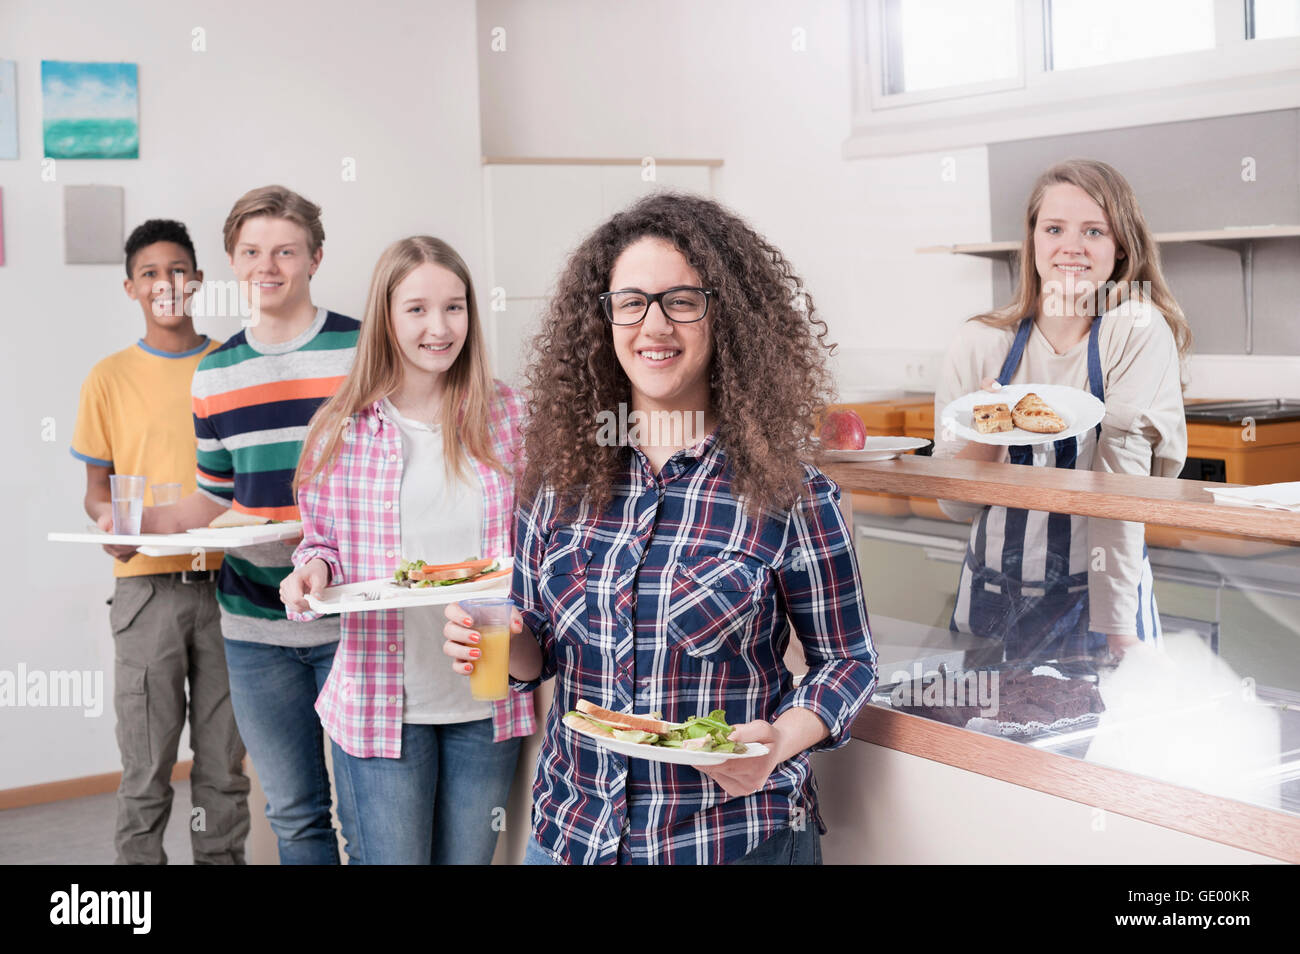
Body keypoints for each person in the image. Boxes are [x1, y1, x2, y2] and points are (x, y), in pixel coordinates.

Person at [443, 193, 877, 865]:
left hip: (731, 837)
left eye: (681, 300)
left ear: (723, 315)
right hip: (571, 836)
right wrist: (491, 648)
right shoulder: (554, 484)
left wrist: (776, 746)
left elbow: (847, 662)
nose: (654, 324)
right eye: (631, 301)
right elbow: (532, 660)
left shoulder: (790, 492)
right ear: (604, 320)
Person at [279, 236, 535, 864]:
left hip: (486, 686)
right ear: (386, 318)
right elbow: (322, 543)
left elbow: (539, 542)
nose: (439, 327)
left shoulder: (509, 414)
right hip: (378, 696)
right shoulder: (340, 427)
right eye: (417, 309)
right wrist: (311, 570)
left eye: (454, 307)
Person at [140, 186, 360, 863]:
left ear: (315, 258)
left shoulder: (363, 350)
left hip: (352, 617)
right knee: (294, 813)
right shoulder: (214, 373)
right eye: (253, 251)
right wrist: (144, 525)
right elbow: (214, 498)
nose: (268, 266)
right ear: (234, 263)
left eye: (285, 251)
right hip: (253, 628)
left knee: (366, 810)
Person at [933, 158, 1191, 664]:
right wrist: (991, 426)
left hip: (1098, 609)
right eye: (1054, 228)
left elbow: (1123, 491)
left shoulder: (1133, 331)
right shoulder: (980, 341)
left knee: (1099, 744)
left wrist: (1119, 632)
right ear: (1032, 240)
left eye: (1093, 231)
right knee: (979, 743)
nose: (1071, 246)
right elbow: (955, 504)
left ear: (1120, 248)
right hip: (987, 604)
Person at [70, 219, 249, 864]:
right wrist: (107, 524)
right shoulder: (108, 378)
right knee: (145, 770)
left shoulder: (233, 364)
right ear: (130, 288)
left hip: (233, 589)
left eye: (177, 270)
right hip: (145, 590)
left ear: (197, 281)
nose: (165, 283)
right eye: (150, 272)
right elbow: (97, 490)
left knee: (223, 768)